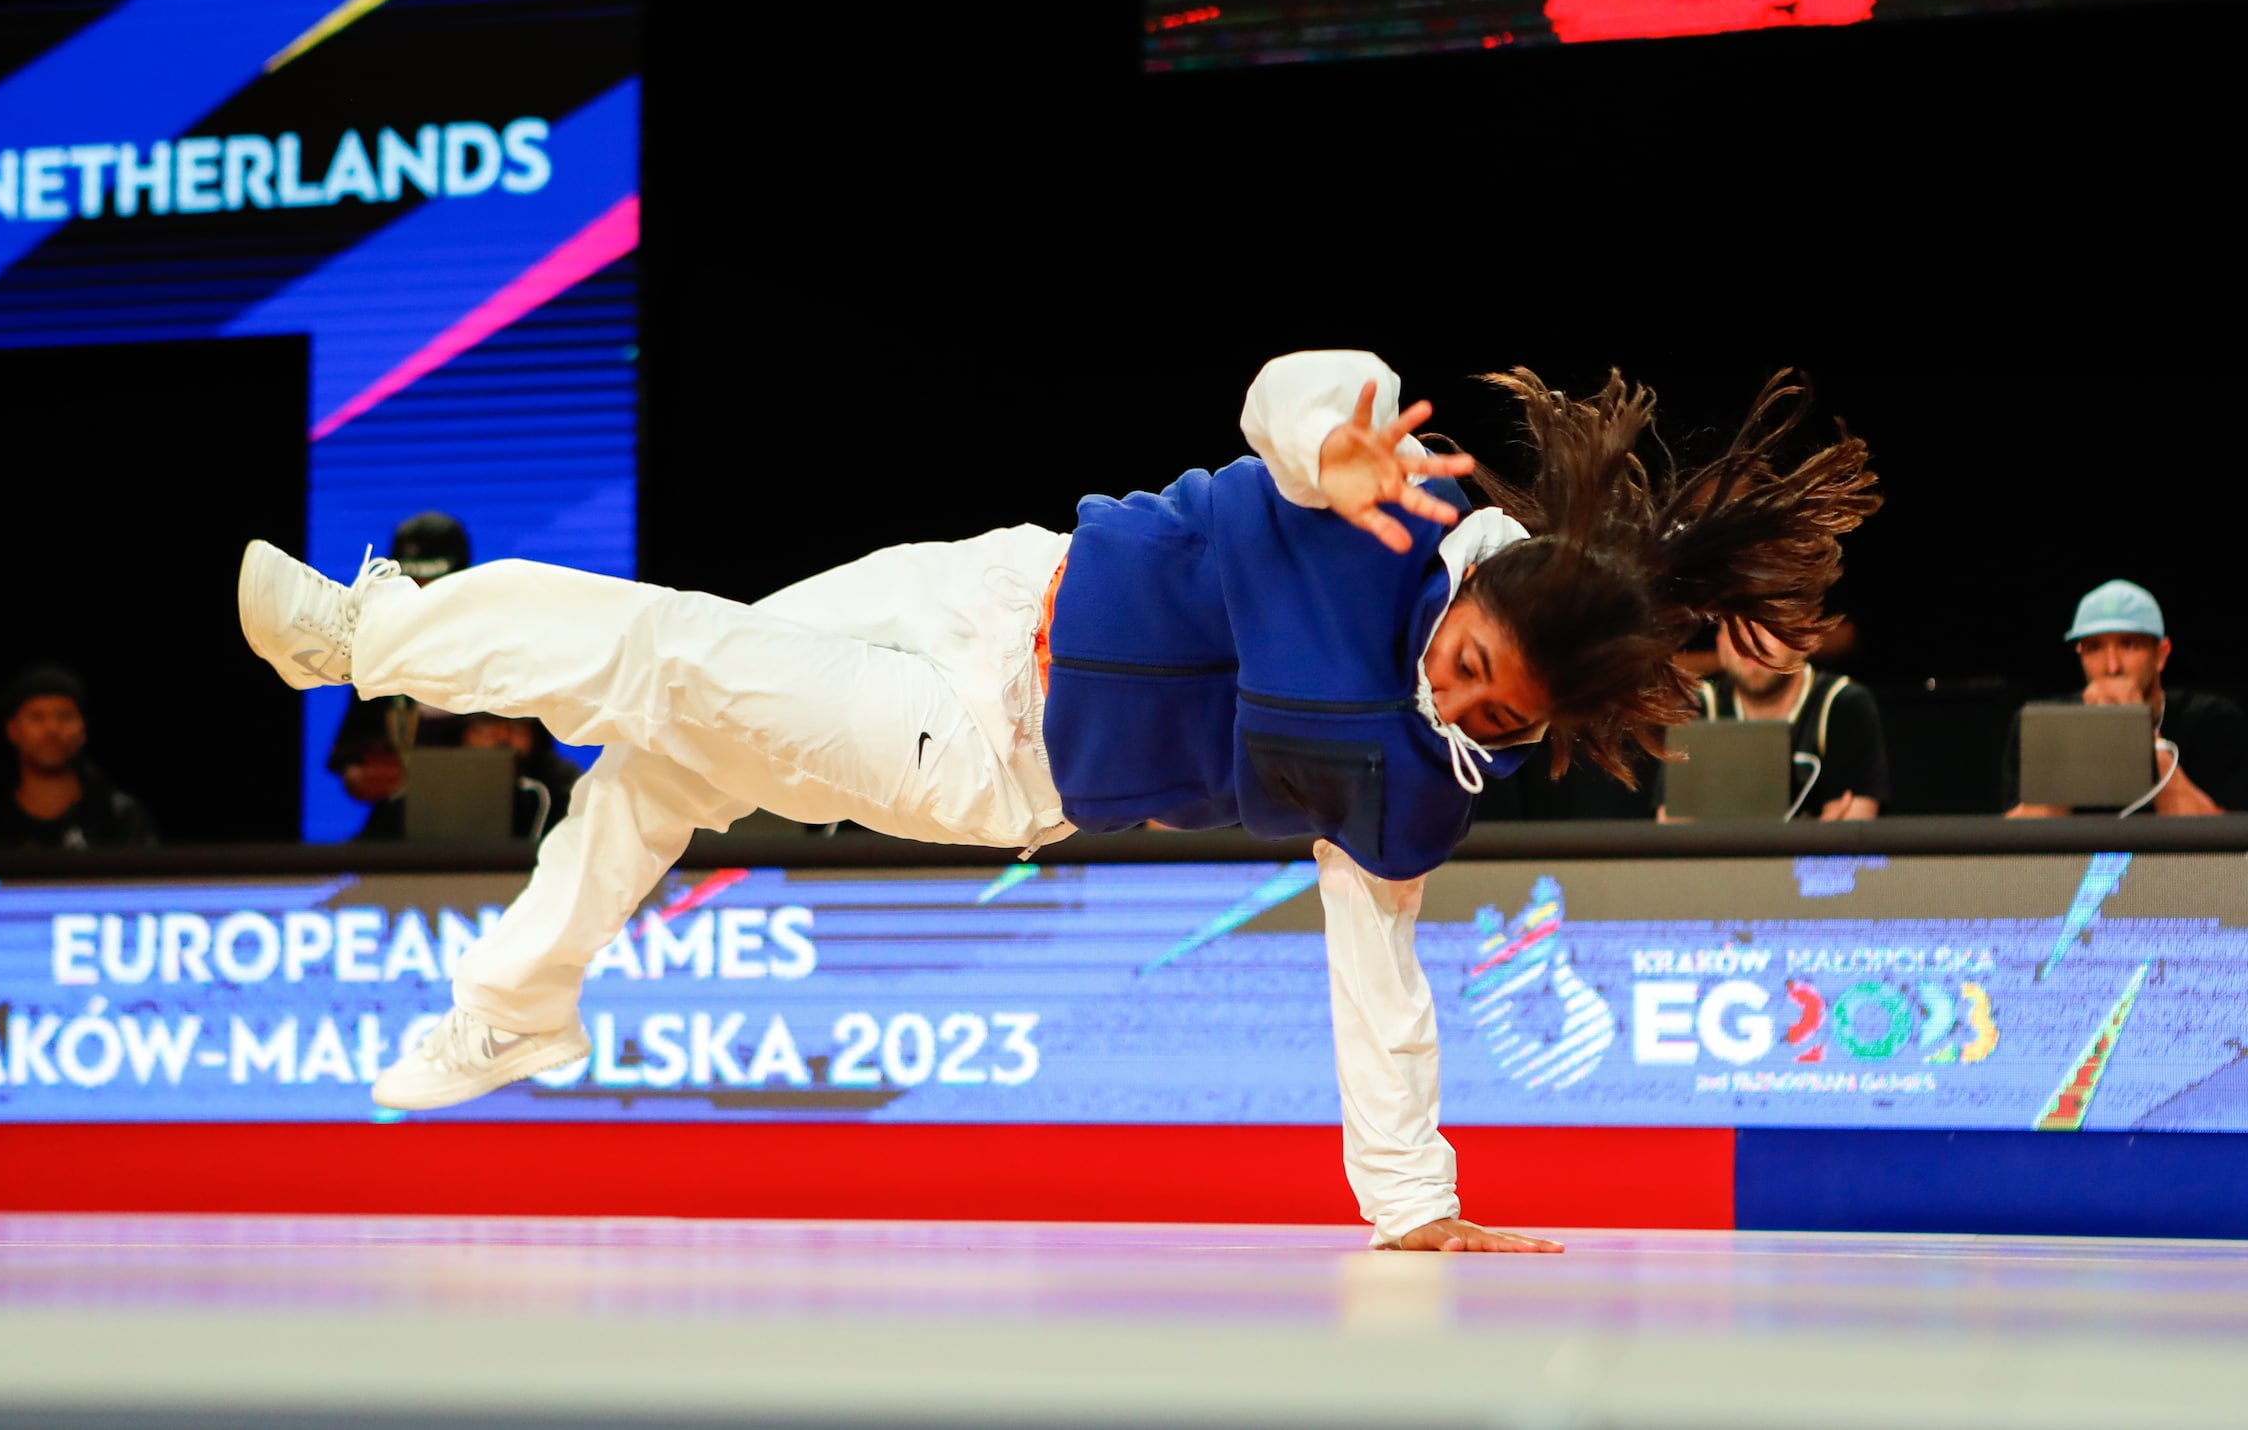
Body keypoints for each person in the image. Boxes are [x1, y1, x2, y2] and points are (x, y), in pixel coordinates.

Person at [239, 350, 1876, 1251]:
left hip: (986, 751)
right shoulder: (1400, 507)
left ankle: (370, 635)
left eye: (1496, 713)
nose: (1455, 697)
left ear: (1542, 727)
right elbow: (1287, 400)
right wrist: (1334, 430)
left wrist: (1419, 1201)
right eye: (1467, 661)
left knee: (670, 661)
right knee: (662, 759)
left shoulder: (1411, 795)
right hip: (990, 580)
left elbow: (1379, 978)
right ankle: (515, 1005)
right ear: (1488, 586)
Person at [329, 511, 580, 840]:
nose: (423, 592)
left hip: (514, 810)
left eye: (434, 582)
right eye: (412, 582)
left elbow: (535, 745)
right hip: (411, 815)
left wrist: (501, 743)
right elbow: (354, 765)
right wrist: (367, 777)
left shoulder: (504, 643)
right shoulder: (379, 652)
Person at [2005, 580, 2246, 817]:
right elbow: (2015, 838)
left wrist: (2142, 736)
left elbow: (2222, 838)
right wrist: (2074, 746)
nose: (2112, 667)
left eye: (2129, 645)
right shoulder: (2041, 725)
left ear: (2161, 655)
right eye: (2094, 647)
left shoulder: (2211, 720)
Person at [1669, 618, 1887, 819]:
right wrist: (1816, 836)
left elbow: (1852, 833)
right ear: (1721, 646)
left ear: (1803, 639)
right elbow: (1673, 834)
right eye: (1738, 626)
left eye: (1768, 624)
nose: (1751, 641)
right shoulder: (1699, 709)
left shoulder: (1842, 704)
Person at [0, 664, 157, 850]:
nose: (52, 729)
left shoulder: (119, 817)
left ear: (82, 730)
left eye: (65, 716)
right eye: (37, 717)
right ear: (13, 730)